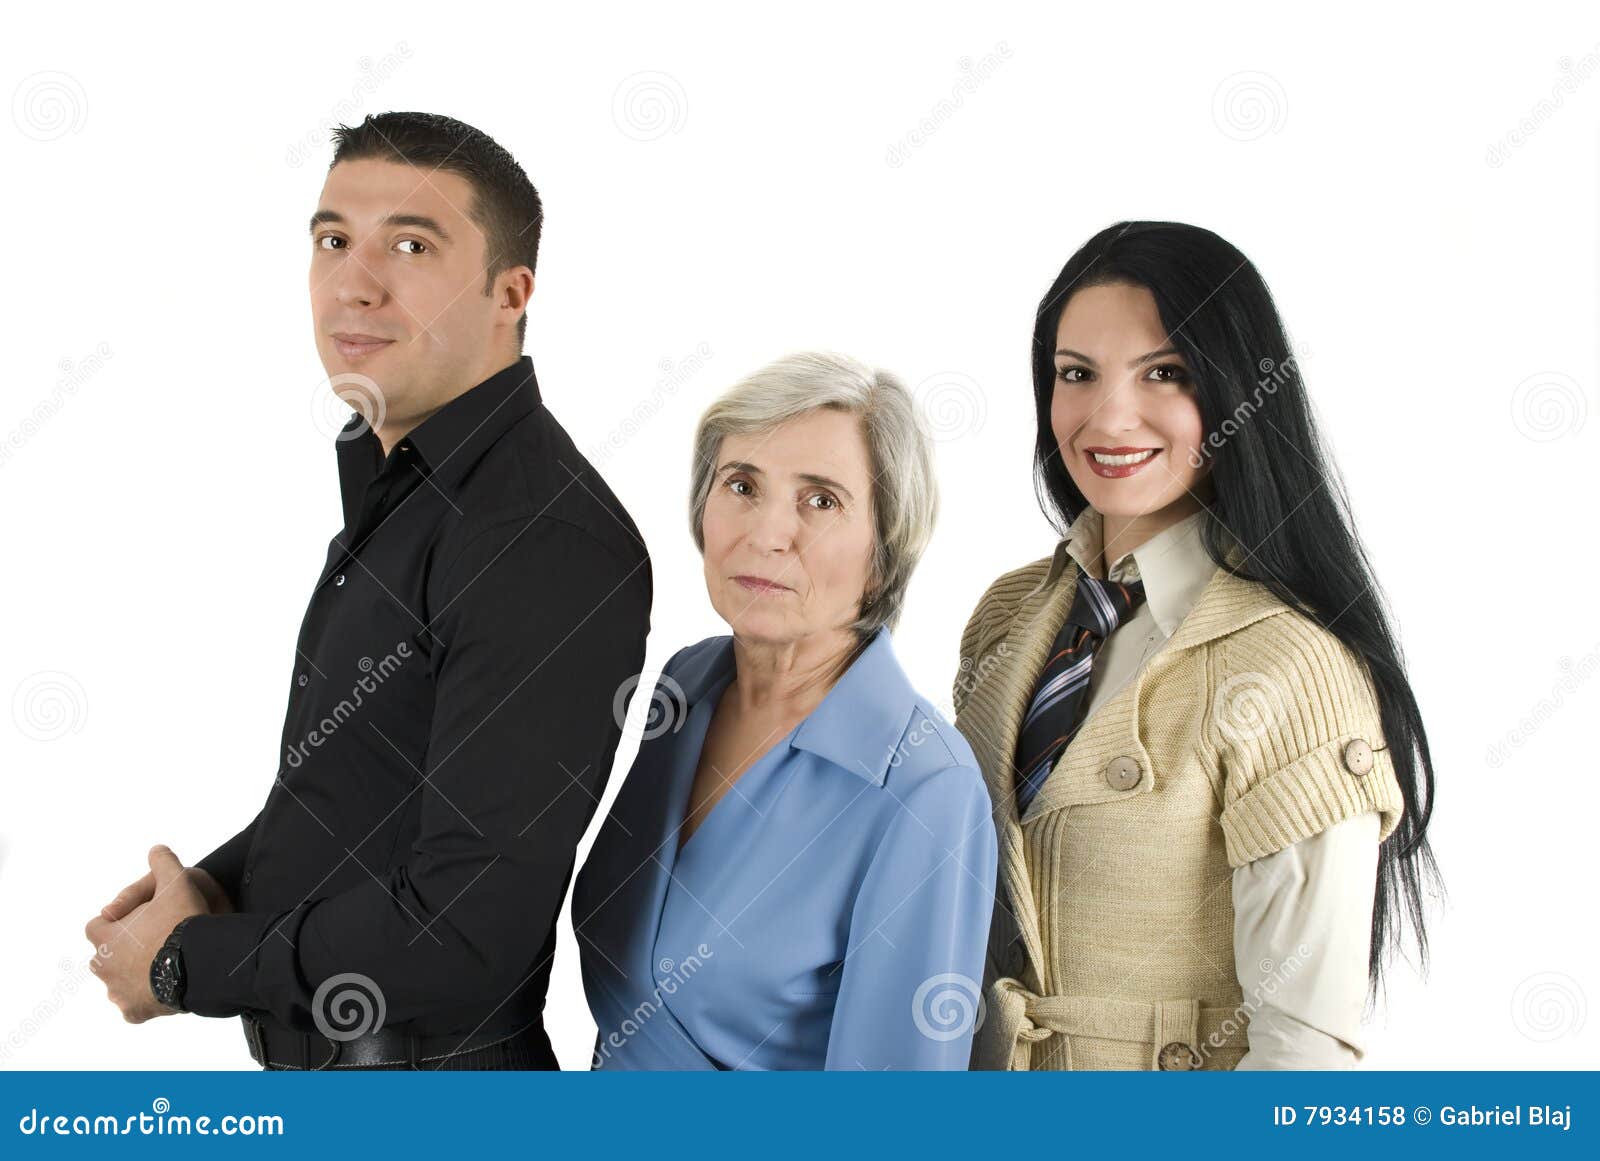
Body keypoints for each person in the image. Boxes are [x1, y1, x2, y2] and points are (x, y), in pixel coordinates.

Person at [84, 111, 652, 1070]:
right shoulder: (403, 477)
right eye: (333, 240)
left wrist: (188, 963)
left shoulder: (539, 538)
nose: (355, 281)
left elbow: (467, 931)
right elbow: (368, 781)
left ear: (511, 293)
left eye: (412, 245)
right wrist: (220, 889)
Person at [954, 221, 1440, 1070]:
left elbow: (1304, 1050)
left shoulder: (1291, 666)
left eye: (1165, 374)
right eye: (1077, 375)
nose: (1108, 416)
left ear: (1234, 391)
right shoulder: (1008, 617)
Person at [574, 351, 997, 1070]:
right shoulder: (687, 683)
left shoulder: (926, 785)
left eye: (821, 499)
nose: (766, 533)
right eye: (741, 485)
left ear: (885, 549)